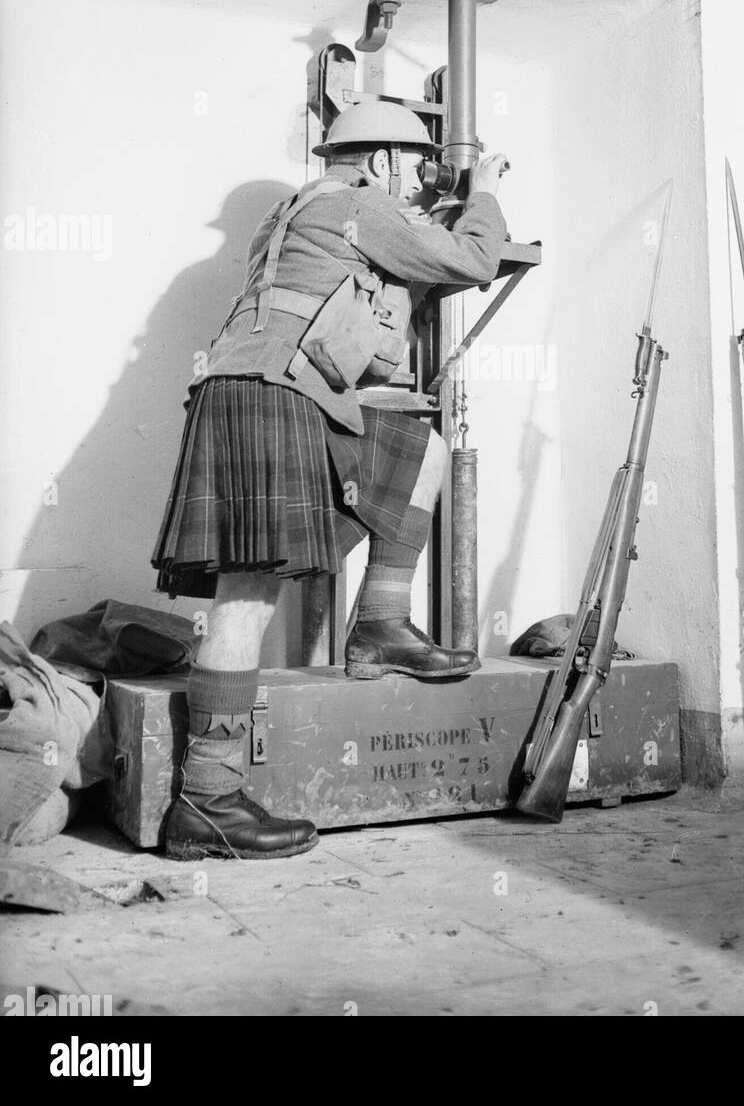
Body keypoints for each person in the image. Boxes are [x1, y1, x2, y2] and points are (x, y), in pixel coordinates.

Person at [151, 98, 509, 860]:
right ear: (379, 161)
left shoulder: (291, 213)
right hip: (269, 398)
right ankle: (207, 799)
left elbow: (353, 327)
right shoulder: (362, 205)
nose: (411, 181)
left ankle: (378, 624)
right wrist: (484, 194)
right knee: (246, 596)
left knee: (422, 450)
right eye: (408, 167)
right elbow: (472, 261)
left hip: (268, 391)